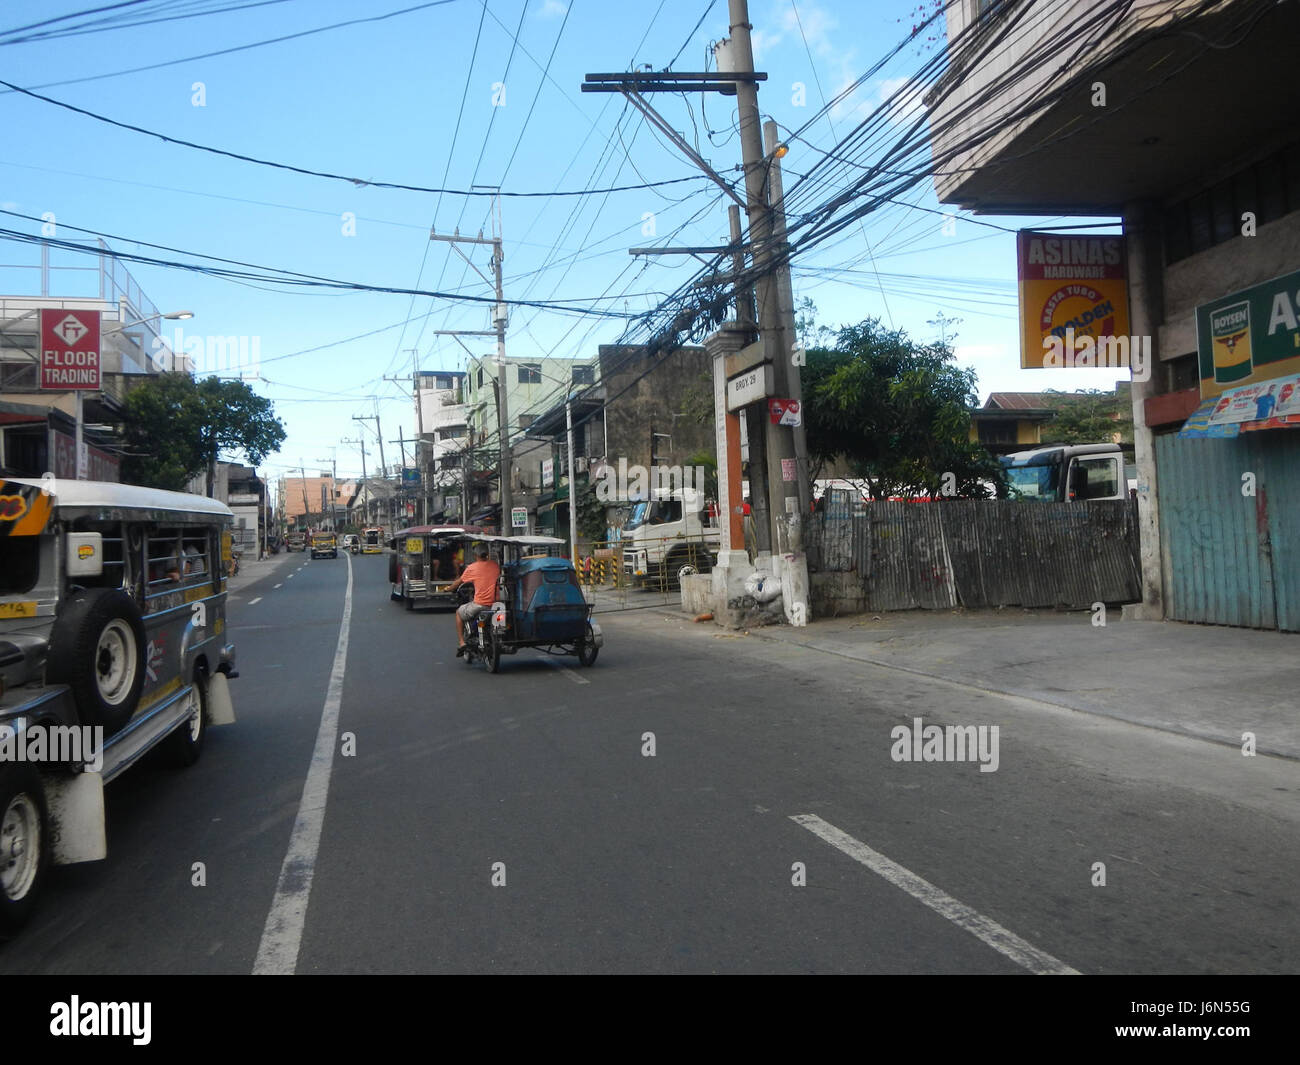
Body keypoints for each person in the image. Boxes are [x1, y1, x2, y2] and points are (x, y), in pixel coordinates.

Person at [450, 546, 501, 656]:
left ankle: (462, 642)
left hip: (480, 605)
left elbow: (459, 582)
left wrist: (448, 588)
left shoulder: (472, 568)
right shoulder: (495, 565)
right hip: (497, 605)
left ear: (476, 556)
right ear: (487, 554)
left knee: (459, 613)